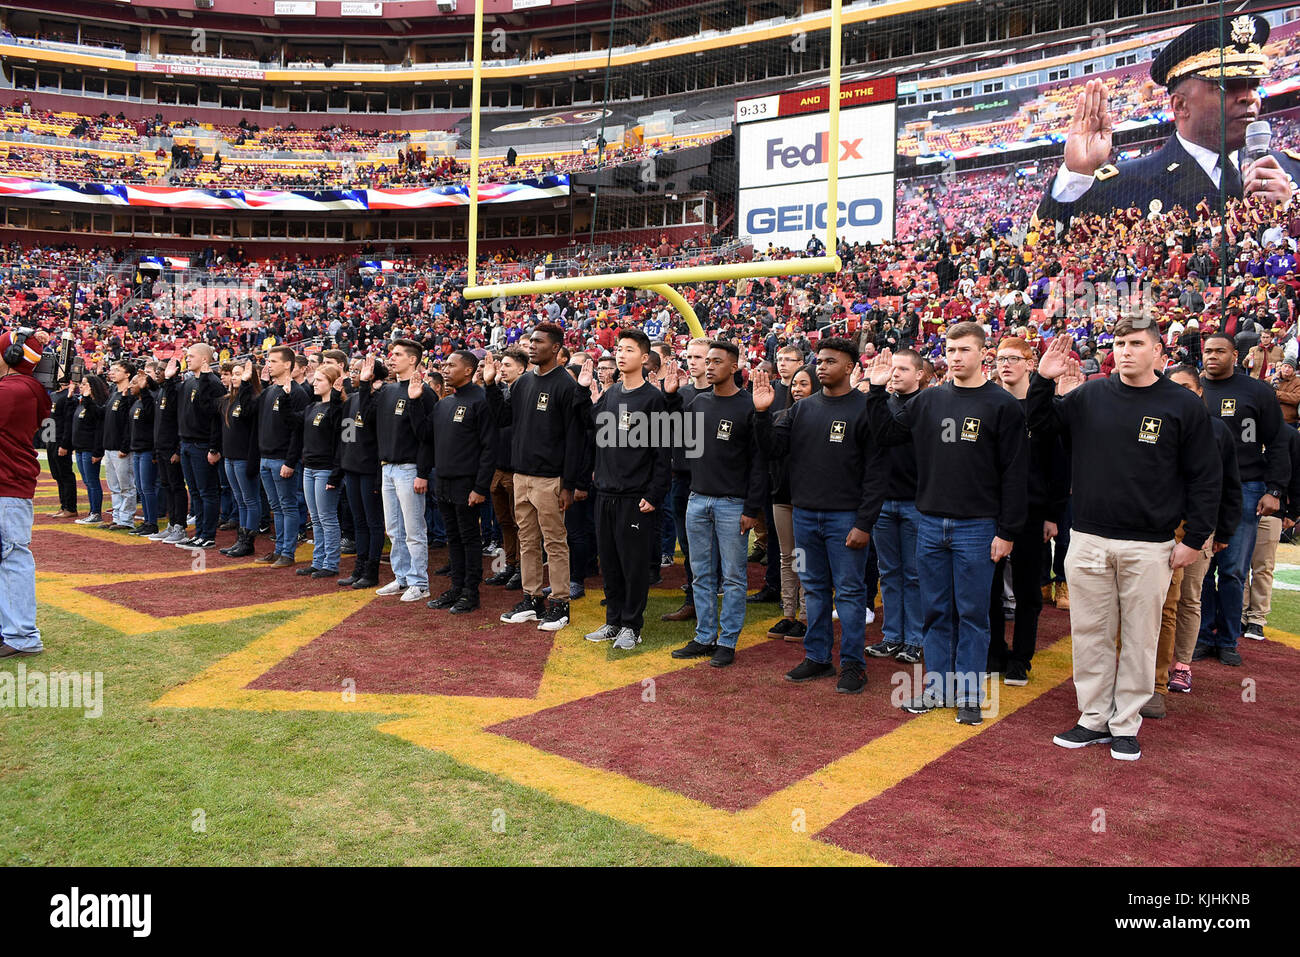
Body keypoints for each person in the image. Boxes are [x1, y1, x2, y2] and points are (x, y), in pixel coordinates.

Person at [1031, 323, 1220, 761]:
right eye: (1119, 344)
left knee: (1140, 637)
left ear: (1158, 351)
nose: (1126, 351)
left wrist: (1194, 538)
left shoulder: (1183, 405)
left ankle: (1125, 723)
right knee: (1090, 633)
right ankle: (1092, 718)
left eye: (1136, 343)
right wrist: (1043, 380)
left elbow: (1205, 476)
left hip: (1150, 543)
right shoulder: (1089, 396)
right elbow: (1040, 428)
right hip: (1089, 537)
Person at [866, 323, 1027, 725]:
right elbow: (884, 435)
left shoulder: (1002, 405)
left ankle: (970, 695)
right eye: (950, 349)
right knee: (935, 611)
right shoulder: (929, 400)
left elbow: (1014, 473)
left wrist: (1007, 531)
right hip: (930, 522)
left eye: (964, 350)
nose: (956, 356)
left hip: (978, 527)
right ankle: (938, 689)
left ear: (982, 353)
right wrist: (875, 390)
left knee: (972, 614)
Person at [1035, 15, 1300, 233]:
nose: (1248, 97)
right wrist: (1077, 176)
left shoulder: (1292, 171)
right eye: (1227, 86)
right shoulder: (1124, 184)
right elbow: (1046, 243)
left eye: (1253, 84)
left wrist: (1292, 217)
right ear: (1180, 106)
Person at [753, 338, 881, 693]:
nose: (821, 366)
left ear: (850, 366)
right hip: (805, 517)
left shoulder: (865, 408)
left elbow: (875, 473)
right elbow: (773, 449)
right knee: (814, 588)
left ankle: (854, 664)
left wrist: (864, 522)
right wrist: (762, 415)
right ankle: (819, 657)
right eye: (818, 360)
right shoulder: (801, 409)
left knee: (851, 594)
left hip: (846, 519)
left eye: (830, 361)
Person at [665, 340, 767, 668]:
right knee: (701, 573)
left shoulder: (749, 406)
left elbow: (760, 462)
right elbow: (670, 435)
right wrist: (668, 397)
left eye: (716, 362)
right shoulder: (697, 403)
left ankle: (727, 640)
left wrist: (752, 508)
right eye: (706, 361)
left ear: (734, 367)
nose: (708, 366)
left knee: (734, 576)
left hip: (732, 505)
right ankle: (704, 635)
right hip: (697, 499)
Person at [1147, 364, 1241, 718]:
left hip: (1198, 529)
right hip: (1162, 525)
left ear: (1200, 390)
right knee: (1156, 604)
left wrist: (1223, 532)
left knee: (1186, 599)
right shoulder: (1158, 421)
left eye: (1188, 386)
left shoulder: (1217, 430)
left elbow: (1228, 485)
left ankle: (1181, 664)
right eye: (1176, 387)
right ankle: (1142, 671)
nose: (1182, 392)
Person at [485, 322, 589, 632]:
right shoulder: (522, 383)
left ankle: (559, 603)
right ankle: (531, 598)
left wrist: (569, 484)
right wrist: (490, 387)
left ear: (556, 348)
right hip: (521, 476)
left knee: (555, 542)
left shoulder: (566, 385)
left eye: (539, 341)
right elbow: (504, 419)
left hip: (550, 479)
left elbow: (576, 439)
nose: (532, 345)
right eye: (531, 341)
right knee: (527, 540)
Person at [1196, 333, 1289, 665]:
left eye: (1220, 351)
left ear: (1235, 355)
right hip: (1199, 489)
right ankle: (1203, 635)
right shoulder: (1191, 388)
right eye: (1207, 351)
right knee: (1200, 569)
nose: (1212, 356)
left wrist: (1275, 489)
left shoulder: (1258, 391)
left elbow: (1279, 442)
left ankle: (1229, 638)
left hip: (1247, 487)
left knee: (1234, 569)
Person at [985, 337, 1069, 686]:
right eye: (1001, 357)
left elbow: (1058, 466)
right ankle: (994, 652)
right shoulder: (988, 402)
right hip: (990, 509)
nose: (1006, 364)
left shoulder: (1045, 407)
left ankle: (1021, 658)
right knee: (988, 587)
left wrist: (1052, 514)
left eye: (1014, 358)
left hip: (1033, 510)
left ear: (1030, 363)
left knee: (1028, 589)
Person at [583, 328, 670, 650]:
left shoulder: (654, 398)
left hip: (636, 497)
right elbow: (595, 435)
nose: (621, 354)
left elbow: (663, 451)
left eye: (629, 350)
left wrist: (654, 493)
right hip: (604, 492)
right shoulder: (611, 393)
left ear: (644, 358)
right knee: (610, 561)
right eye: (619, 349)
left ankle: (632, 626)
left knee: (633, 565)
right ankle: (613, 620)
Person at [362, 341, 436, 602]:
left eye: (398, 355)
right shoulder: (387, 390)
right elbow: (365, 418)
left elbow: (428, 437)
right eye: (391, 354)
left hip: (409, 468)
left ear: (413, 360)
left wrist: (423, 472)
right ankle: (402, 577)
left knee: (414, 529)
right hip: (388, 468)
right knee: (393, 528)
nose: (391, 359)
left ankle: (420, 582)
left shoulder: (424, 393)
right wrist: (364, 385)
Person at [865, 348, 926, 664]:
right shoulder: (879, 403)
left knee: (915, 574)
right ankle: (892, 636)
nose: (896, 373)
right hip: (884, 500)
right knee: (889, 573)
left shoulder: (927, 404)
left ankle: (915, 639)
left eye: (903, 368)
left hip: (916, 502)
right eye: (894, 368)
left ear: (919, 374)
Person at [424, 350, 495, 615]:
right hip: (443, 482)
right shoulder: (443, 403)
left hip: (468, 483)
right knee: (453, 538)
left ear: (468, 370)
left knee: (469, 538)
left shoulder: (481, 400)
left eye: (451, 365)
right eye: (444, 364)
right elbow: (424, 435)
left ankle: (470, 592)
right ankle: (455, 587)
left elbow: (489, 448)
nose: (445, 368)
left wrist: (480, 487)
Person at [0, 327, 52, 657]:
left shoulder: (14, 389)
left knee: (13, 558)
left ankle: (21, 635)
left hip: (7, 486)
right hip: (9, 486)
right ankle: (12, 630)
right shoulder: (26, 387)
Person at [762, 365, 816, 642]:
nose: (797, 389)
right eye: (795, 384)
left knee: (805, 559)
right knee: (787, 557)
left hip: (809, 500)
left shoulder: (821, 419)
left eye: (804, 384)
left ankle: (807, 617)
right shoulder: (779, 417)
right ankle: (788, 615)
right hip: (782, 496)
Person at [660, 337, 711, 623]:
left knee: (718, 550)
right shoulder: (679, 392)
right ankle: (693, 600)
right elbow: (665, 433)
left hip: (716, 482)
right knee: (689, 545)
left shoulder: (725, 394)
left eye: (698, 357)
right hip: (682, 478)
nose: (692, 362)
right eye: (689, 356)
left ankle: (714, 602)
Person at [249, 346, 310, 568]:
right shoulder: (269, 391)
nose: (269, 364)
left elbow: (298, 431)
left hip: (282, 459)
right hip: (266, 458)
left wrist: (290, 461)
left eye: (273, 361)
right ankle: (279, 549)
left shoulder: (297, 393)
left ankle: (288, 552)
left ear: (287, 364)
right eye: (268, 360)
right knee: (277, 508)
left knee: (288, 506)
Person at [336, 357, 385, 590]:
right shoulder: (351, 400)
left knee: (373, 522)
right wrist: (342, 467)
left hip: (369, 470)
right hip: (352, 469)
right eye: (353, 371)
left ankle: (372, 570)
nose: (353, 374)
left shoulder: (378, 400)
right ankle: (359, 567)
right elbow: (346, 436)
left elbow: (379, 440)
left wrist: (378, 475)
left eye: (359, 371)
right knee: (358, 521)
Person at [483, 347, 527, 591]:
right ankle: (509, 565)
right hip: (498, 468)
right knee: (504, 522)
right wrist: (491, 386)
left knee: (521, 523)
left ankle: (521, 568)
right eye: (501, 365)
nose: (502, 369)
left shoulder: (525, 392)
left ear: (521, 368)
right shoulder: (503, 393)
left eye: (507, 365)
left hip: (516, 469)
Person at [173, 344, 225, 550]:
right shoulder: (188, 382)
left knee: (207, 492)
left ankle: (208, 535)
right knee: (194, 492)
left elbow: (216, 418)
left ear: (204, 359)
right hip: (186, 443)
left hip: (202, 445)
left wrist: (214, 448)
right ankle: (200, 532)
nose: (187, 359)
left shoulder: (214, 383)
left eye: (191, 356)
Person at [297, 365, 346, 579]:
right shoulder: (312, 406)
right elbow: (291, 421)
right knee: (316, 518)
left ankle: (331, 563)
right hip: (309, 467)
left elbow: (342, 441)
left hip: (326, 469)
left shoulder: (340, 408)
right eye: (314, 379)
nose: (314, 383)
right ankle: (318, 561)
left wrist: (336, 474)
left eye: (319, 380)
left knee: (327, 517)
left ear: (332, 382)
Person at [218, 359, 261, 558]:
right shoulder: (227, 399)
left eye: (239, 374)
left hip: (244, 457)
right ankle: (240, 538)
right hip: (230, 457)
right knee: (240, 500)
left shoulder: (252, 399)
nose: (234, 377)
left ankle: (248, 541)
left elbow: (246, 414)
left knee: (250, 499)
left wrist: (245, 384)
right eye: (233, 374)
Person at [100, 358, 137, 532]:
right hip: (109, 446)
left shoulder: (130, 395)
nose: (112, 372)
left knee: (126, 486)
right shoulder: (114, 392)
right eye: (112, 369)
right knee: (114, 486)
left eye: (117, 370)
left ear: (127, 374)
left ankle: (127, 519)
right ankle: (116, 516)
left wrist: (125, 445)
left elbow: (128, 425)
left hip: (121, 449)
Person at [70, 374, 108, 527]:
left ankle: (96, 512)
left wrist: (97, 451)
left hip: (89, 448)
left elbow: (98, 426)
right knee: (87, 481)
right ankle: (93, 511)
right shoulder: (82, 402)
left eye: (85, 384)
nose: (81, 386)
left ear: (92, 386)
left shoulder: (96, 403)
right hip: (80, 448)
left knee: (92, 482)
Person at [127, 368, 159, 536]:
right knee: (140, 487)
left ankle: (152, 522)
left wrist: (145, 387)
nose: (131, 386)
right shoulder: (136, 402)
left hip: (147, 450)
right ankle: (147, 521)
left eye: (135, 383)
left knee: (147, 487)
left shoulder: (149, 400)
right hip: (137, 450)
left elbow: (150, 416)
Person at [47, 380, 78, 518]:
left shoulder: (69, 397)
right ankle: (63, 505)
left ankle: (70, 507)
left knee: (65, 474)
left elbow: (68, 421)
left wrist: (65, 444)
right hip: (51, 438)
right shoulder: (54, 395)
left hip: (60, 439)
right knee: (57, 475)